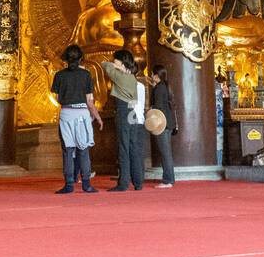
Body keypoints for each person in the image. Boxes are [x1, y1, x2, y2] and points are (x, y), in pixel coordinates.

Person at [51, 44, 103, 194]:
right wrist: (97, 116)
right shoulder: (86, 75)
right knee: (83, 149)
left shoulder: (59, 75)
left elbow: (57, 98)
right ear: (81, 58)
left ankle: (68, 184)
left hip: (66, 113)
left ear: (65, 59)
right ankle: (86, 184)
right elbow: (89, 101)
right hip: (81, 114)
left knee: (68, 150)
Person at [101, 49, 144, 191]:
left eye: (116, 60)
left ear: (122, 62)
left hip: (123, 111)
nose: (114, 62)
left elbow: (104, 64)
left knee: (123, 147)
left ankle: (123, 183)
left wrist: (118, 67)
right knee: (133, 147)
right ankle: (138, 182)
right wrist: (123, 67)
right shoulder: (132, 77)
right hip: (132, 112)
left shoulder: (119, 76)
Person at [150, 64, 178, 187]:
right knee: (167, 152)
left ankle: (168, 180)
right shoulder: (166, 87)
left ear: (156, 76)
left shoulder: (158, 89)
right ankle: (169, 178)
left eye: (152, 74)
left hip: (162, 123)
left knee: (165, 152)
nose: (151, 76)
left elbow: (157, 107)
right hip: (169, 123)